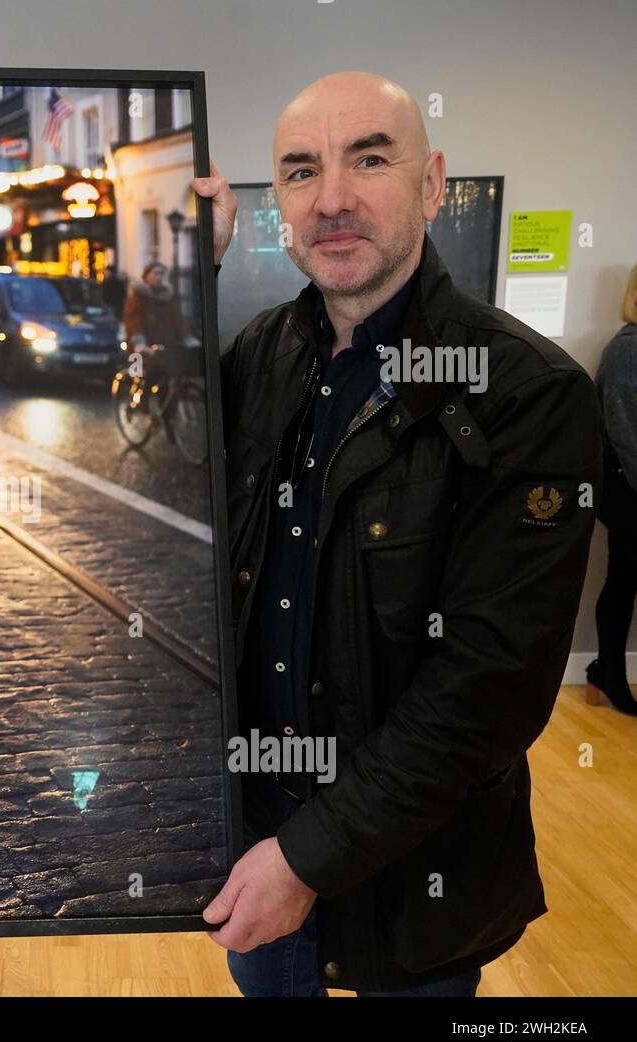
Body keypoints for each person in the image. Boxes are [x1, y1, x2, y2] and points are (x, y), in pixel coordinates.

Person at [190, 71, 601, 995]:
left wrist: (308, 858)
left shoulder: (525, 393)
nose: (332, 198)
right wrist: (187, 271)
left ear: (432, 183)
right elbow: (155, 480)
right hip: (256, 856)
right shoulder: (261, 355)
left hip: (414, 889)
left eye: (369, 158)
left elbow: (487, 692)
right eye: (300, 171)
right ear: (277, 205)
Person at [586, 265, 637, 714]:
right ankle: (609, 672)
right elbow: (624, 433)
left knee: (625, 579)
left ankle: (606, 672)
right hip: (626, 489)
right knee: (623, 581)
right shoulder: (626, 351)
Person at [121, 260, 196, 380]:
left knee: (168, 377)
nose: (159, 277)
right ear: (146, 276)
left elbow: (177, 318)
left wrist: (187, 337)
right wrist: (139, 342)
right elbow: (133, 320)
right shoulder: (138, 296)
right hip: (143, 344)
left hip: (164, 345)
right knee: (141, 377)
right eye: (156, 273)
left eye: (162, 274)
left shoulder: (167, 297)